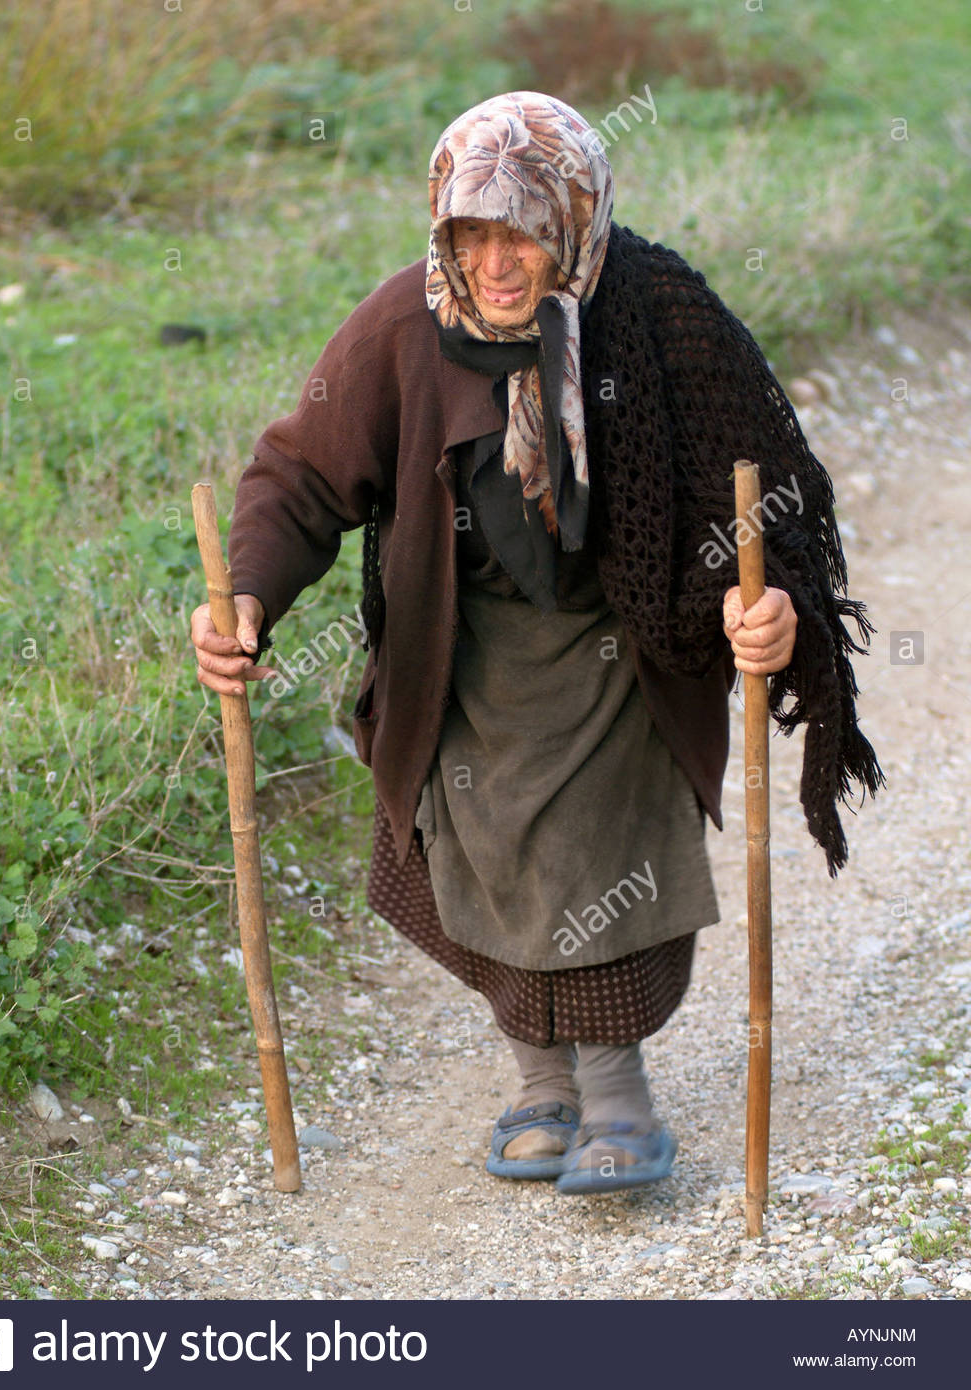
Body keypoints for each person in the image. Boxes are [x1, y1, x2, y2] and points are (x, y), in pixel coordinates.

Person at [190, 92, 882, 1195]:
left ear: (576, 219)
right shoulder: (403, 329)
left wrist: (771, 611)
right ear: (442, 231)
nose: (498, 262)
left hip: (623, 642)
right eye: (472, 233)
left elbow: (764, 500)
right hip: (462, 655)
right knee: (487, 863)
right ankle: (538, 1087)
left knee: (602, 857)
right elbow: (303, 477)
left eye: (521, 232)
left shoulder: (657, 311)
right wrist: (247, 597)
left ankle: (616, 1098)